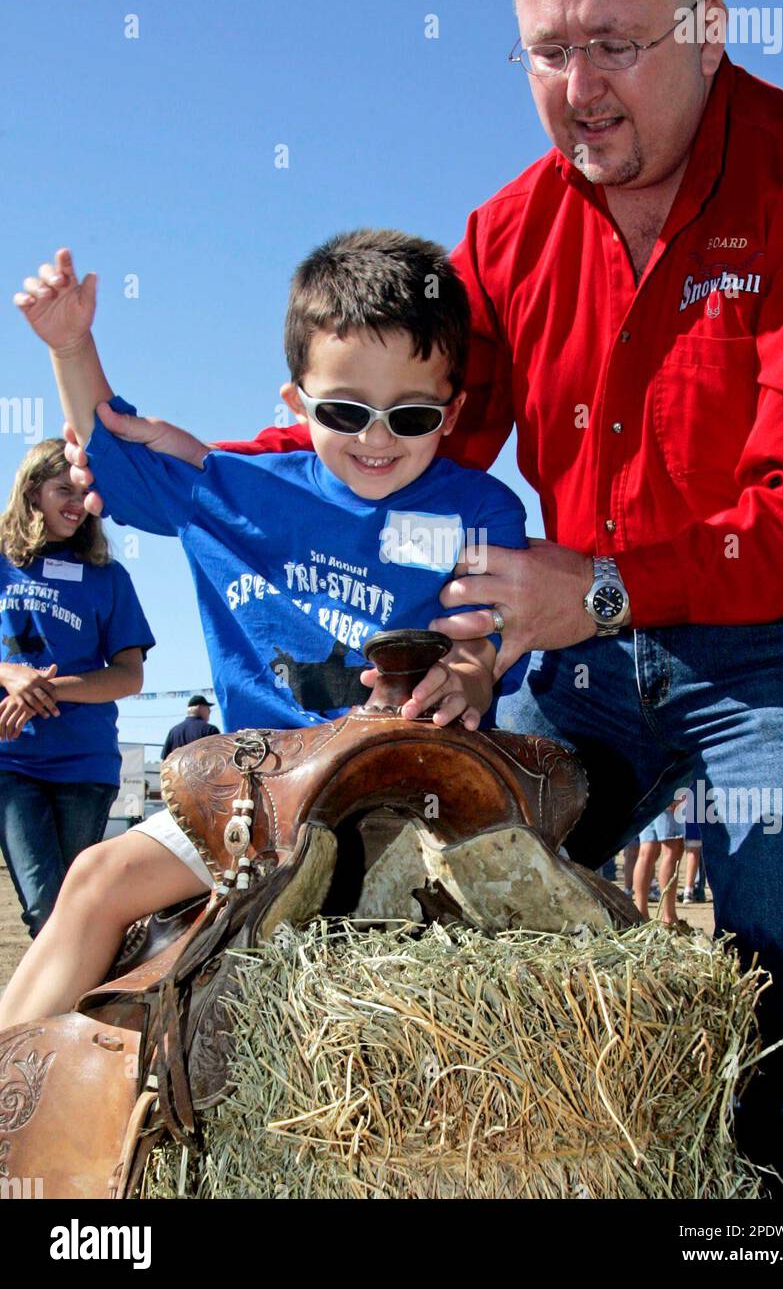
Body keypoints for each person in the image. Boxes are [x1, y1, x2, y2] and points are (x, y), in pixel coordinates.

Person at [73, 0, 783, 1201]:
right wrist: (239, 467)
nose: (577, 90)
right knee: (436, 868)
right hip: (577, 649)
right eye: (545, 52)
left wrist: (597, 587)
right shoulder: (503, 235)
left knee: (780, 1015)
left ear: (708, 30)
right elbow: (411, 445)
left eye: (612, 43)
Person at [0, 229, 527, 1030]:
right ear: (295, 403)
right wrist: (73, 345)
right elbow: (112, 460)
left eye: (410, 415)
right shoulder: (239, 488)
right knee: (93, 882)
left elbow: (481, 639)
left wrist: (469, 669)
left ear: (453, 410)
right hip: (256, 788)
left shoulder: (480, 510)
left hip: (394, 778)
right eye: (346, 412)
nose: (376, 440)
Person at [0, 441, 153, 936]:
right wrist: (10, 675)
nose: (75, 501)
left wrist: (54, 689)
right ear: (31, 491)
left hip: (85, 765)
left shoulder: (108, 576)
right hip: (11, 763)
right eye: (62, 488)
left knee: (79, 911)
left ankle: (77, 1007)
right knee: (44, 906)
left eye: (84, 490)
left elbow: (129, 674)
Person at [632, 801, 684, 924]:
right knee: (672, 850)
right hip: (666, 793)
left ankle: (641, 914)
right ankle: (669, 917)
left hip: (649, 795)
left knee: (647, 851)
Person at [161, 694, 220, 759]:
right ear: (199, 707)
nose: (210, 711)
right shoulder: (210, 730)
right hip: (201, 769)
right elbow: (219, 759)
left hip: (179, 768)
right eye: (208, 708)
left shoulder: (173, 731)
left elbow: (164, 760)